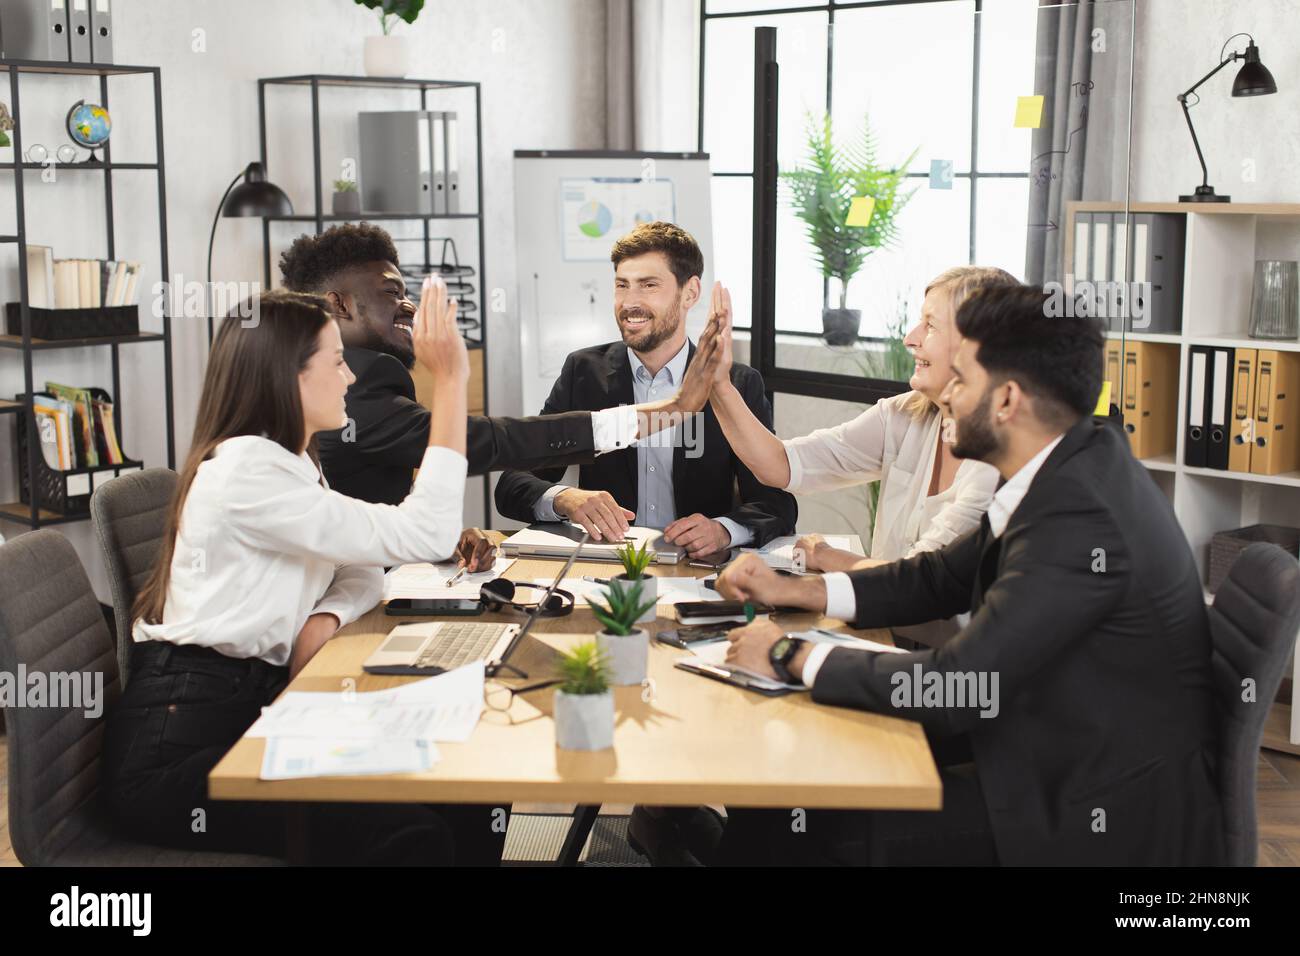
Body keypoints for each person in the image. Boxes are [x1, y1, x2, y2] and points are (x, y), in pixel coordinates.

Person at [712, 283, 1225, 866]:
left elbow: (962, 685)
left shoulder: (1081, 519)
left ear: (1006, 400)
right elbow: (936, 578)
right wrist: (796, 588)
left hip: (1086, 809)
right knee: (787, 772)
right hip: (1034, 741)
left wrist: (790, 655)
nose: (947, 396)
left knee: (805, 819)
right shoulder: (1067, 463)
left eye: (961, 379)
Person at [102, 282, 505, 865]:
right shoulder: (249, 472)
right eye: (336, 362)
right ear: (287, 377)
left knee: (464, 783)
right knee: (410, 833)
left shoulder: (291, 461)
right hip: (179, 751)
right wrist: (450, 381)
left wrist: (326, 618)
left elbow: (362, 563)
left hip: (252, 703)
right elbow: (424, 534)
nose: (349, 377)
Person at [280, 223, 722, 555]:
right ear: (339, 303)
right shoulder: (361, 381)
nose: (408, 305)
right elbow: (489, 442)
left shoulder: (323, 378)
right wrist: (669, 410)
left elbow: (353, 519)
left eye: (649, 285)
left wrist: (441, 540)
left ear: (690, 293)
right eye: (392, 293)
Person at [494, 221, 796, 555]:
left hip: (696, 568)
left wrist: (723, 530)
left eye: (649, 285)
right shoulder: (583, 372)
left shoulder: (736, 384)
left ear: (690, 293)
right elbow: (512, 483)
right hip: (607, 565)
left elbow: (776, 503)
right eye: (622, 285)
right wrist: (564, 498)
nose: (629, 302)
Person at [709, 266, 1015, 574]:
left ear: (976, 347)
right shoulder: (903, 414)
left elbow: (920, 579)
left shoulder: (1000, 461)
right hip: (881, 604)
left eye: (931, 325)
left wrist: (826, 556)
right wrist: (720, 384)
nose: (910, 339)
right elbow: (781, 465)